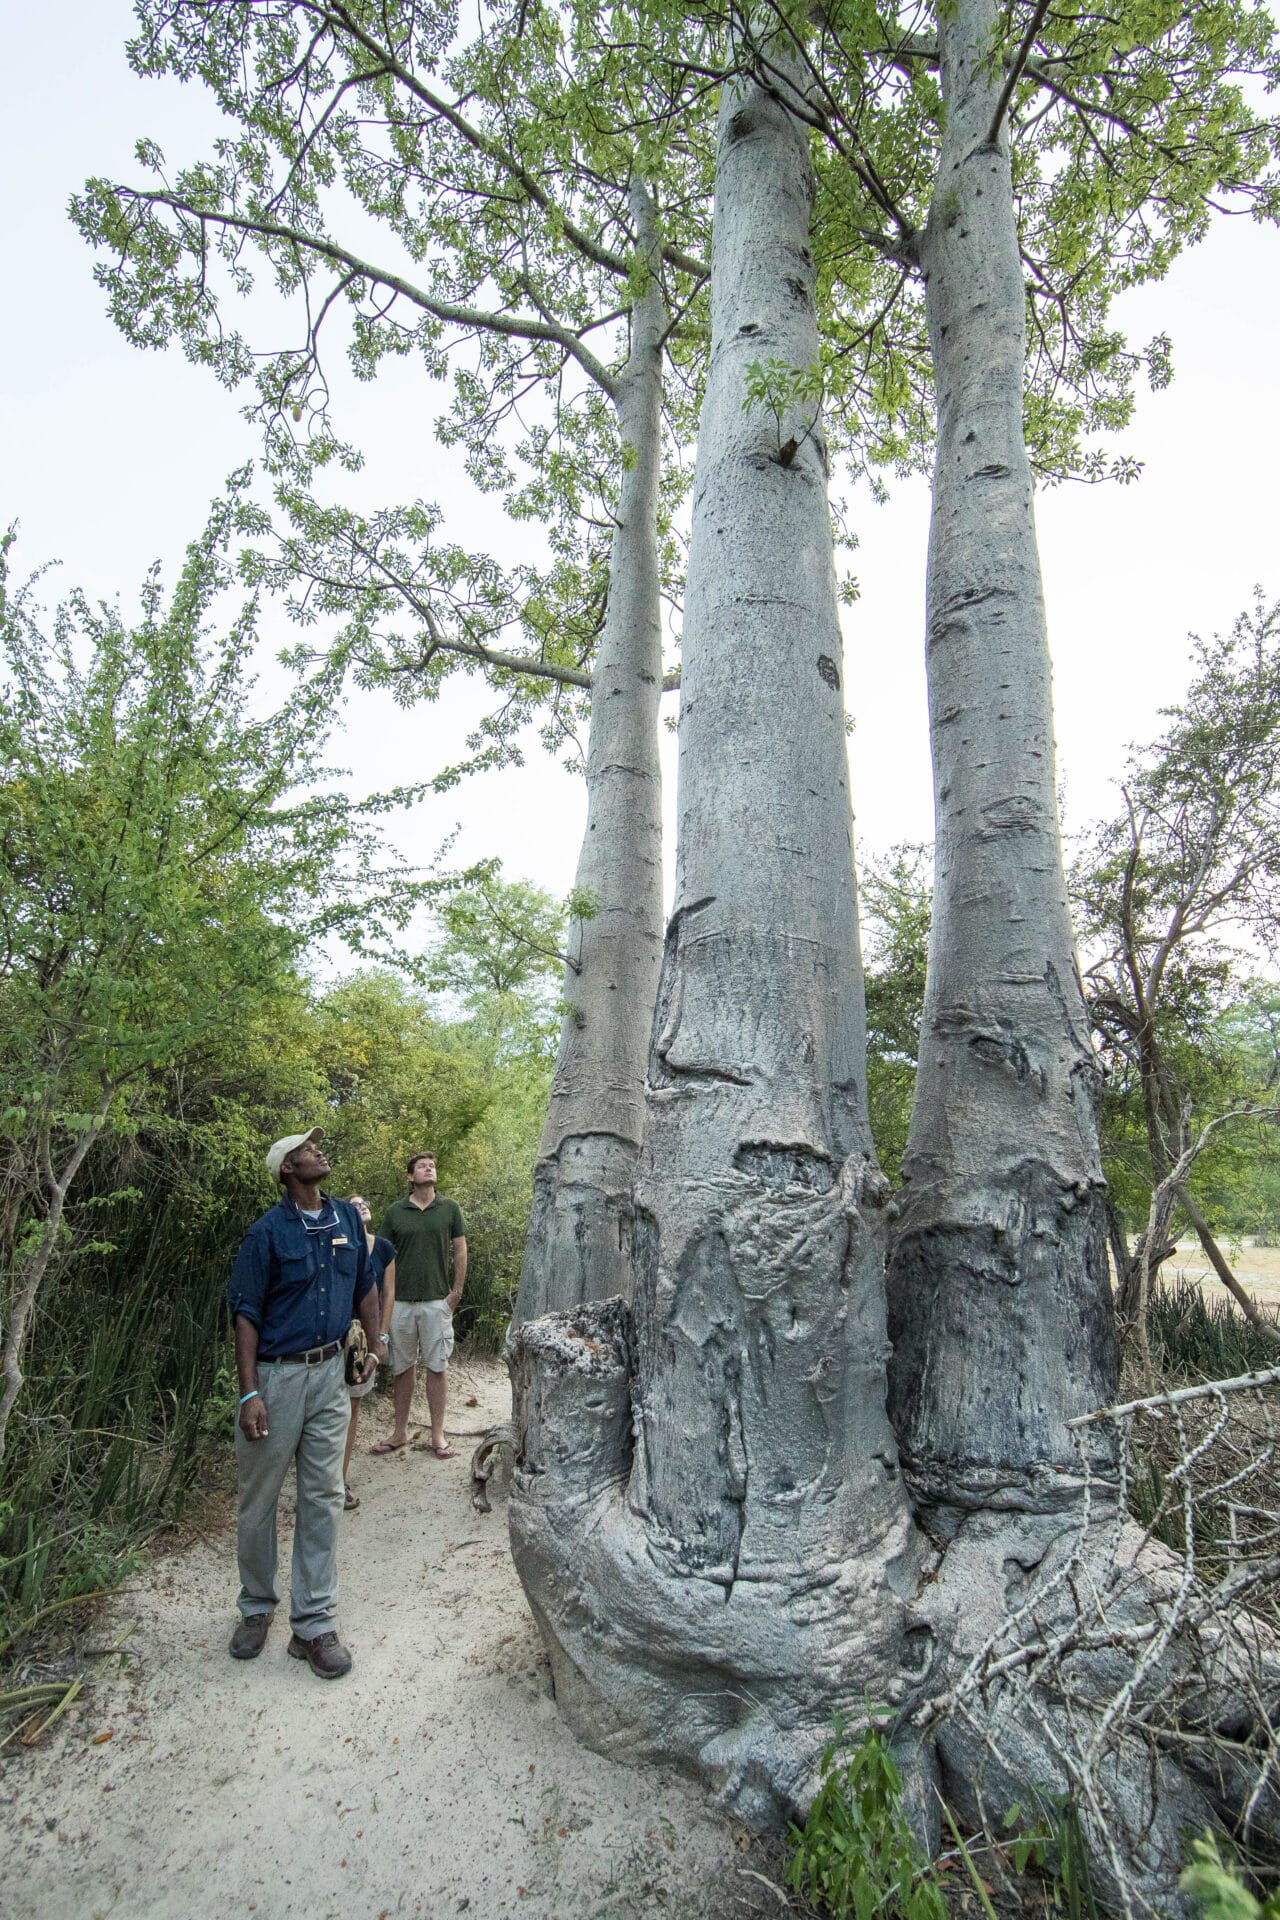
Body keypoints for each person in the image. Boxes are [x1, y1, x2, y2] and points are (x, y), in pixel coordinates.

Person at [226, 1128, 379, 1679]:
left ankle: (313, 1624)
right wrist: (250, 1392)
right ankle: (255, 1608)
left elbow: (365, 1285)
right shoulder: (266, 1233)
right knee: (260, 1497)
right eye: (308, 1151)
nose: (320, 1153)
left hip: (331, 1378)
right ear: (288, 1169)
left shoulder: (343, 1220)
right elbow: (245, 1312)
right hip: (277, 1379)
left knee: (324, 1495)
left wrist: (374, 1344)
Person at [374, 1152, 467, 1460]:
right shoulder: (395, 1212)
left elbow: (460, 1249)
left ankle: (438, 1435)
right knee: (402, 1369)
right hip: (400, 1303)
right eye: (423, 1166)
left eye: (433, 1165)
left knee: (437, 1367)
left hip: (437, 1303)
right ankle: (399, 1432)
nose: (430, 1168)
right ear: (410, 1177)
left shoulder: (449, 1209)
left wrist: (456, 1291)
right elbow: (384, 1255)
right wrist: (384, 1299)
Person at [341, 1194, 396, 1510]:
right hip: (333, 1333)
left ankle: (339, 1481)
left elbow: (388, 1294)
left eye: (364, 1202)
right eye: (353, 1203)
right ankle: (318, 1483)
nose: (360, 1204)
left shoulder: (385, 1248)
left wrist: (382, 1336)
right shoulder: (338, 1241)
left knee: (352, 1406)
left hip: (363, 1336)